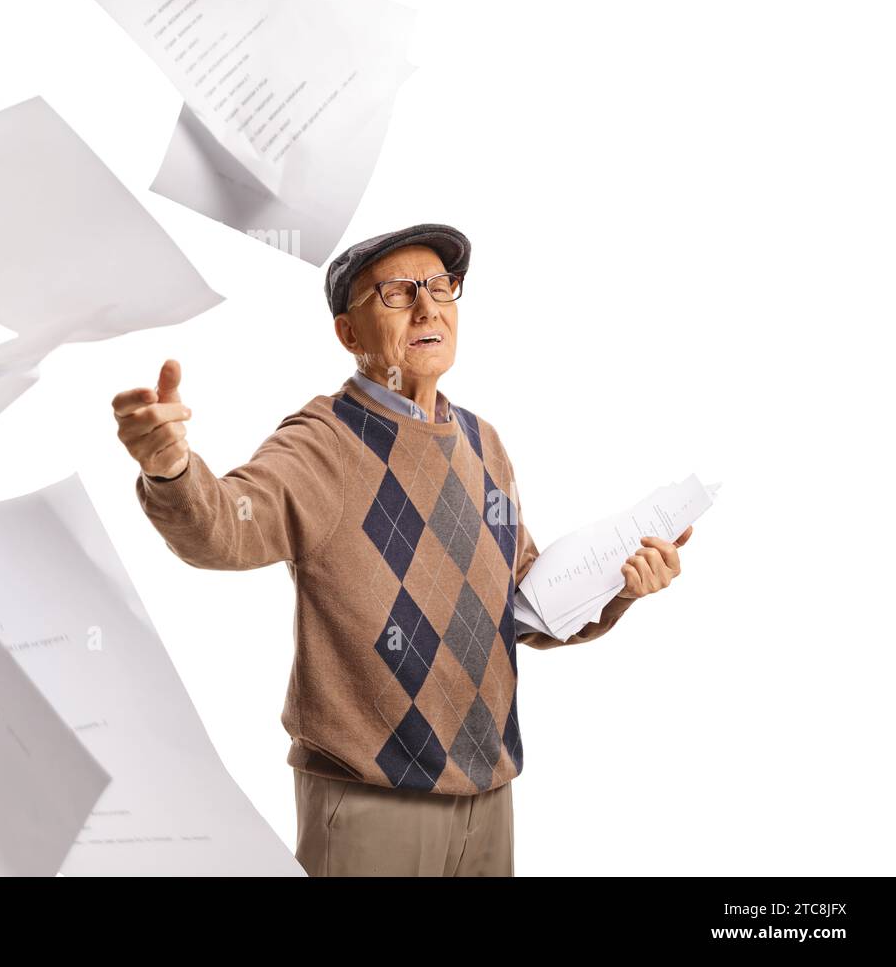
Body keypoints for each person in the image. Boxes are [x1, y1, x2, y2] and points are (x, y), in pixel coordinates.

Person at [112, 223, 690, 877]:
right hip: (372, 802)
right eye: (396, 292)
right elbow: (224, 529)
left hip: (487, 791)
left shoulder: (483, 443)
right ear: (348, 334)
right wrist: (171, 471)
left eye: (442, 287)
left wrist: (618, 588)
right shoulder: (326, 442)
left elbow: (521, 605)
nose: (428, 307)